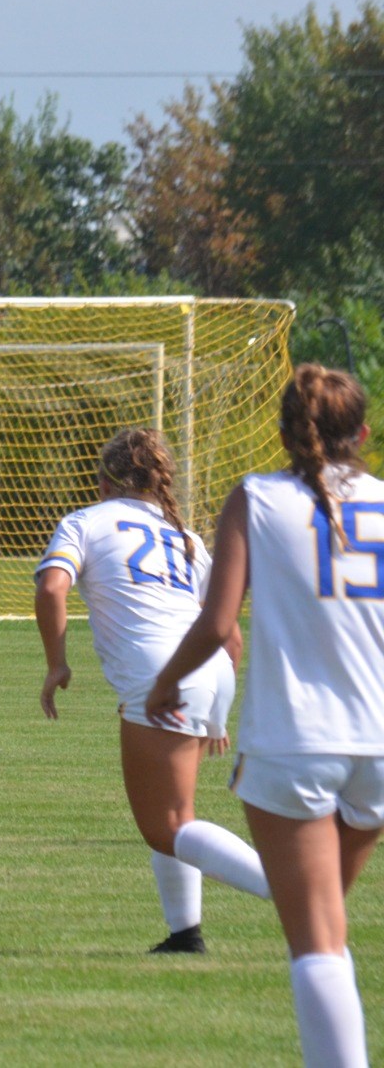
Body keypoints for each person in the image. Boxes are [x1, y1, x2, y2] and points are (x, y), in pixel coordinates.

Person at [150, 365, 382, 1066]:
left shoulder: (255, 497)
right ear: (364, 433)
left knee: (316, 941)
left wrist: (166, 683)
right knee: (326, 927)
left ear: (284, 433)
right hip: (379, 742)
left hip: (294, 740)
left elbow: (218, 620)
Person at [34, 427, 269, 955]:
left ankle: (291, 887)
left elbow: (52, 587)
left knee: (165, 827)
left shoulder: (85, 521)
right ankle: (185, 935)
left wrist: (56, 664)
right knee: (176, 811)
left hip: (160, 673)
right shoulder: (184, 535)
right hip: (209, 671)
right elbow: (229, 631)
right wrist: (218, 711)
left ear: (102, 481)